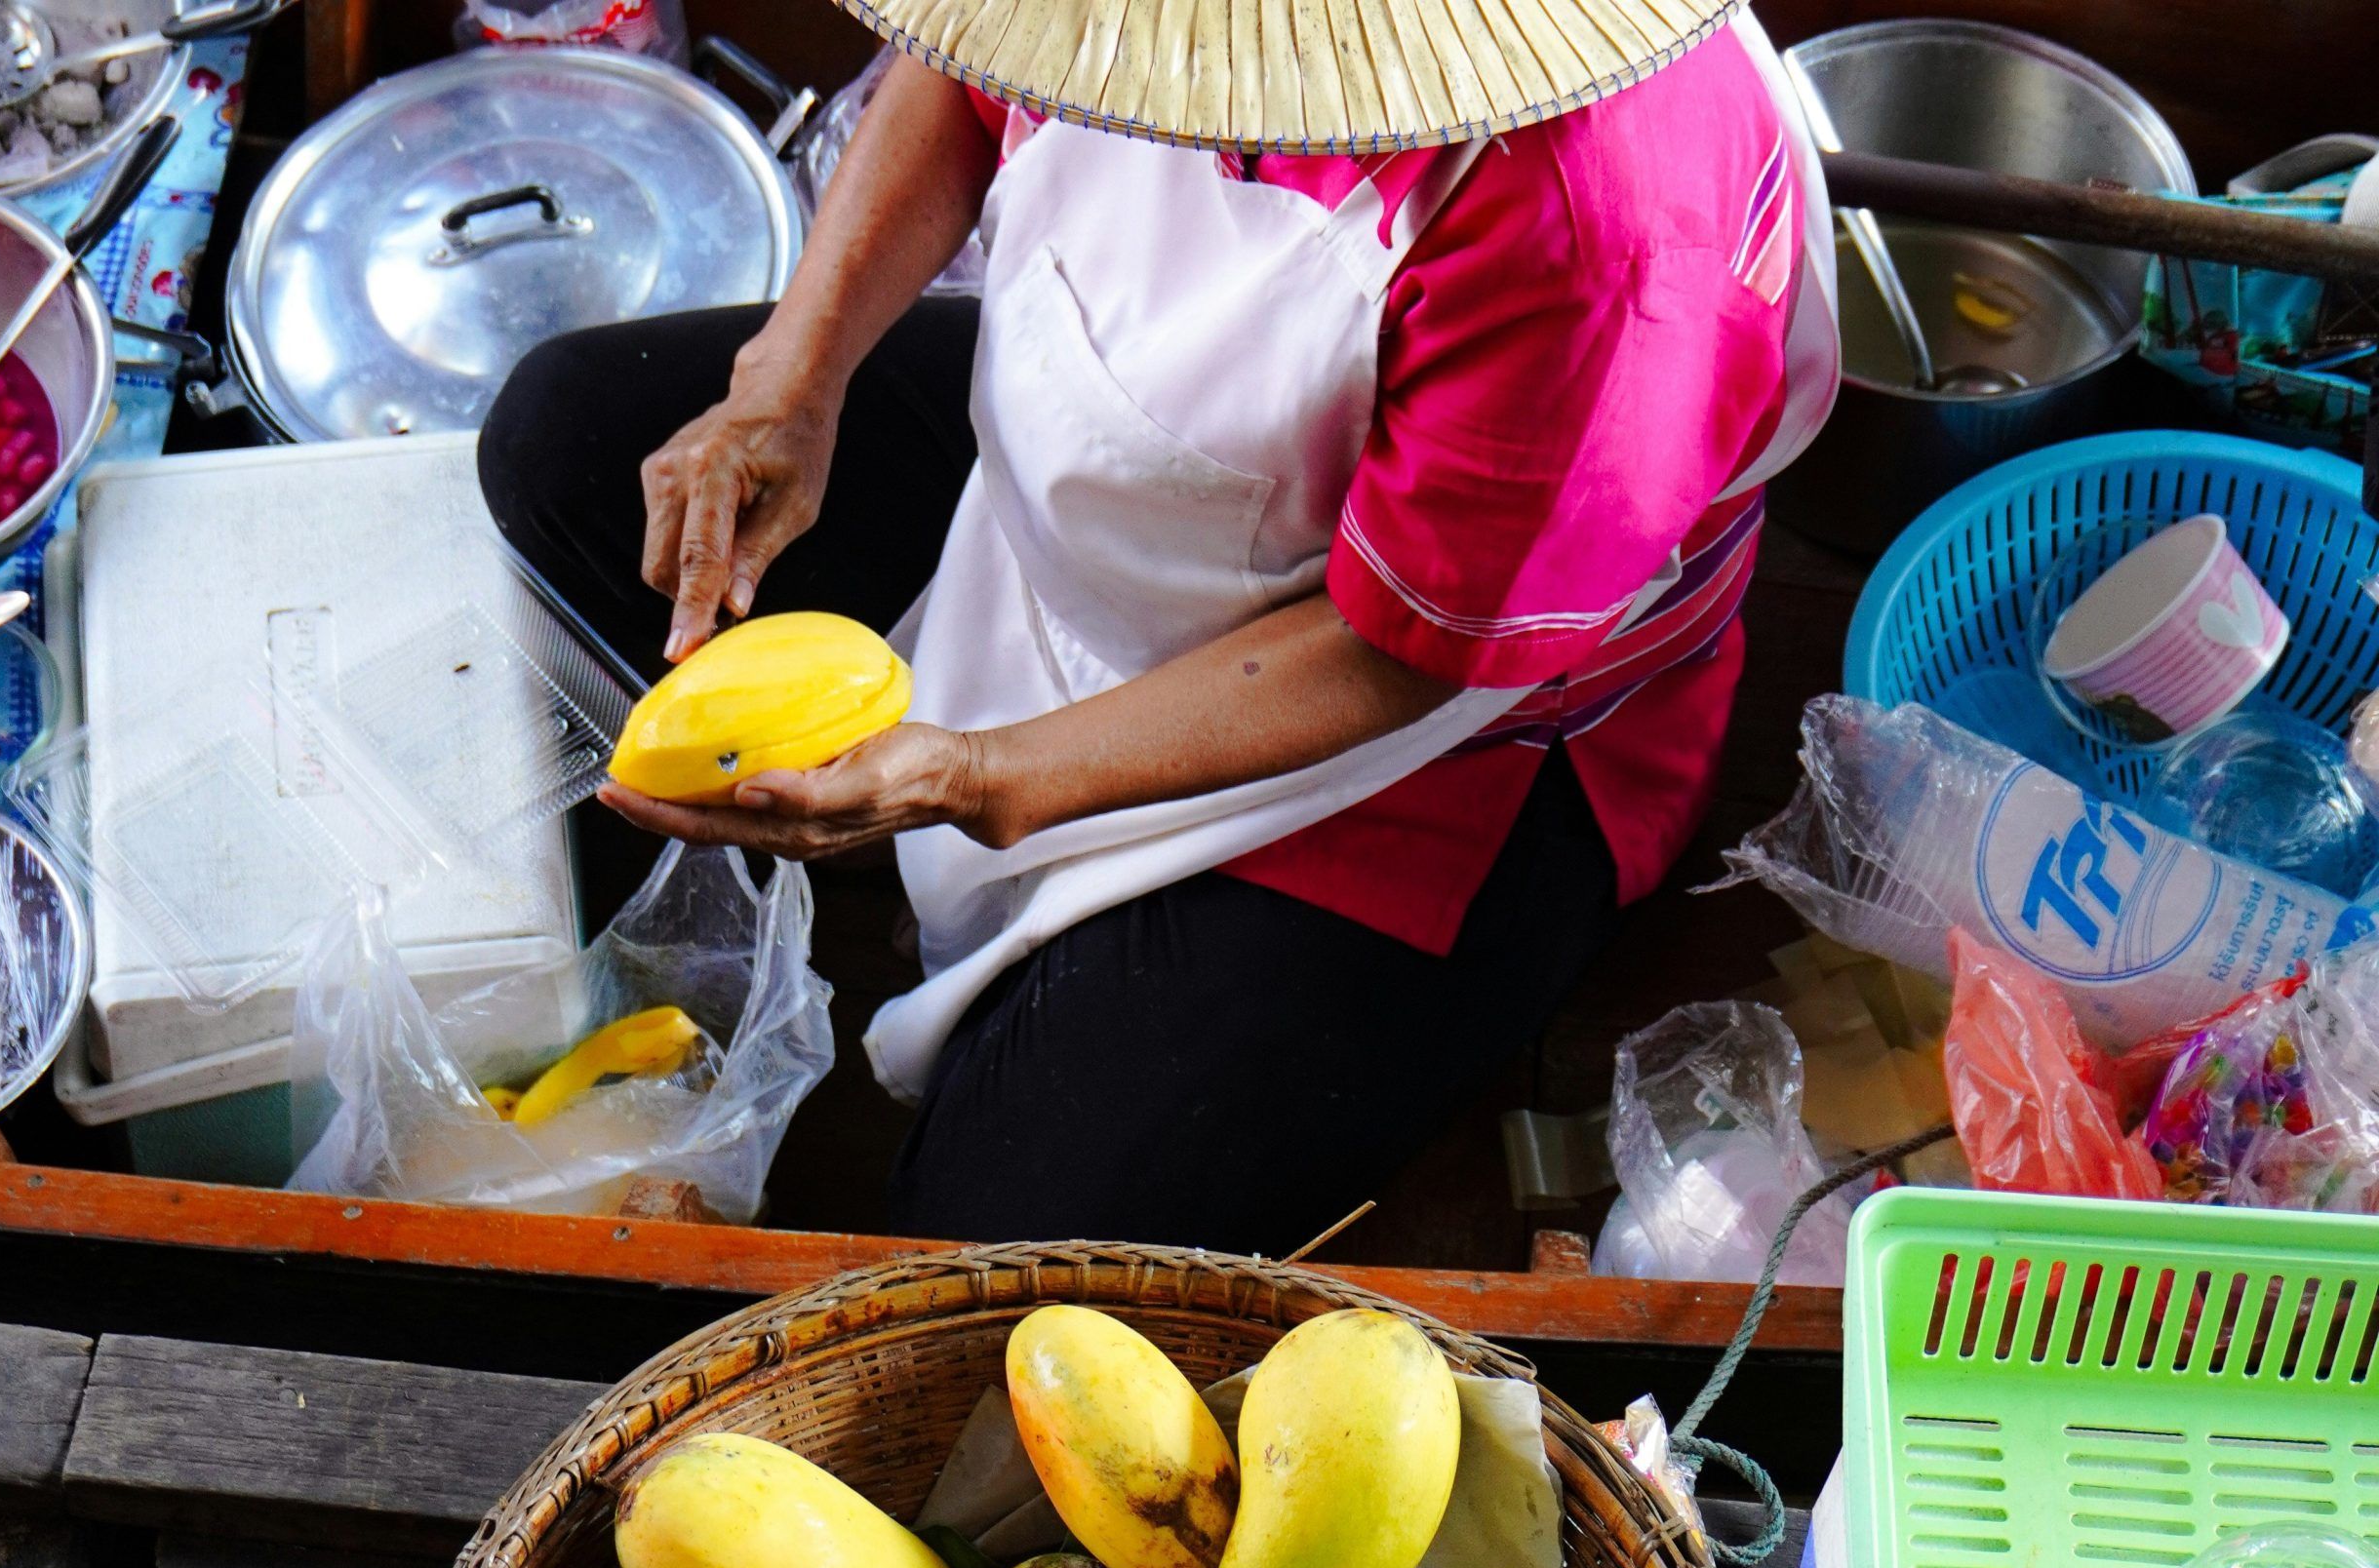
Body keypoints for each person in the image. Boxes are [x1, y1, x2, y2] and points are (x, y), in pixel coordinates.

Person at [478, 0, 1840, 1253]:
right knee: (562, 447)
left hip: (1425, 741)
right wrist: (797, 373)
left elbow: (1405, 650)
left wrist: (988, 776)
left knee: (1002, 1235)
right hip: (1119, 476)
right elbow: (963, 76)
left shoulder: (1606, 220)